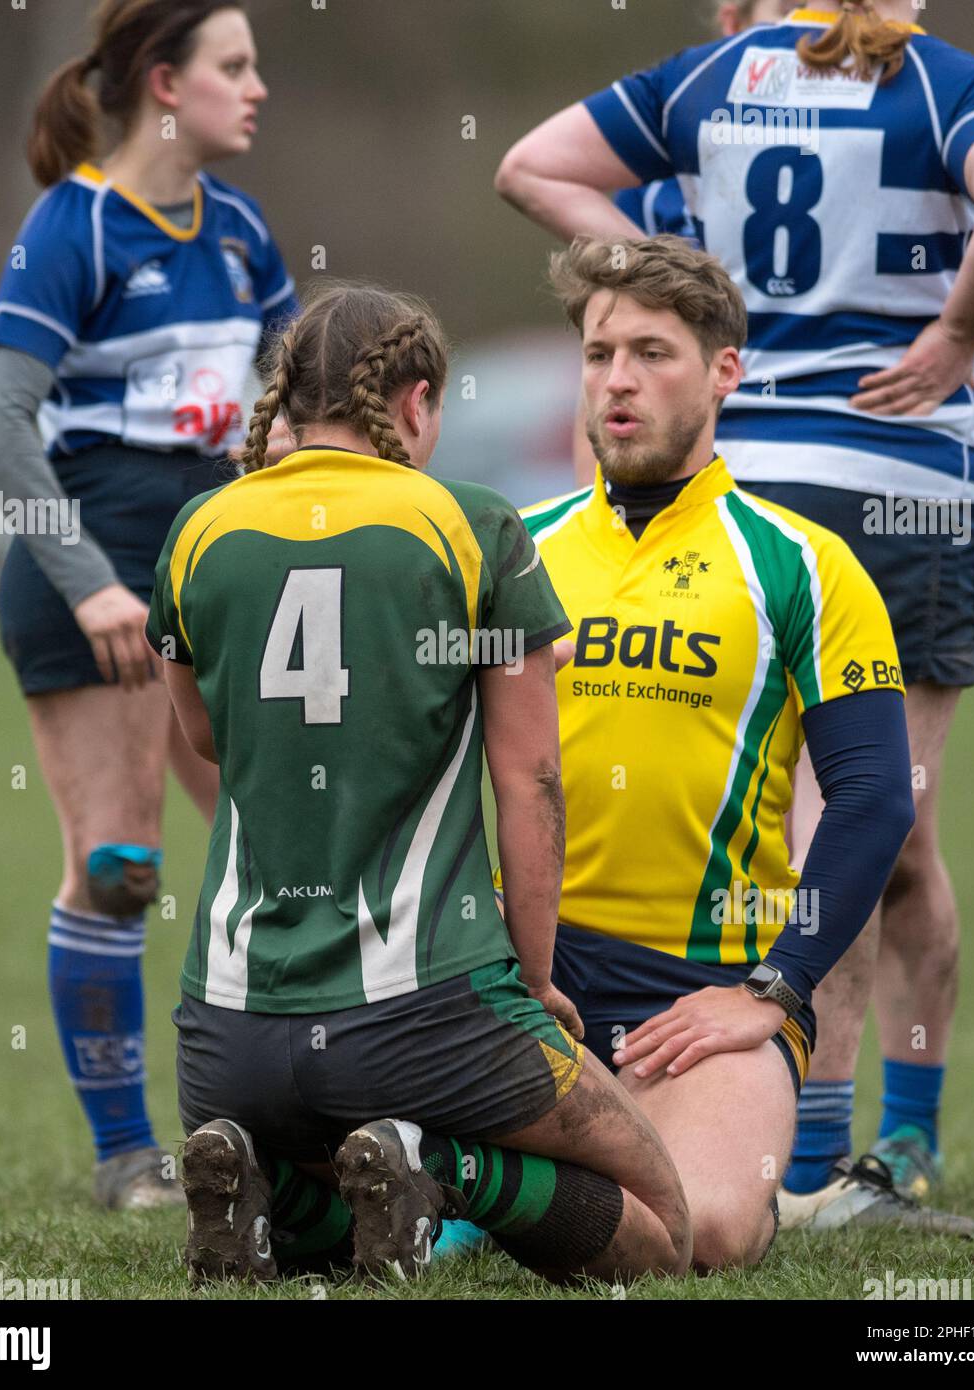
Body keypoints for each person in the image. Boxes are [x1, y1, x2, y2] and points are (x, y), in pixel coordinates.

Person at [495, 0, 974, 1225]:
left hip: (752, 465)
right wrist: (956, 341)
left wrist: (674, 277)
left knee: (815, 836)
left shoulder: (706, 83)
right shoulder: (950, 82)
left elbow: (526, 167)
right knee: (884, 830)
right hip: (894, 483)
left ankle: (813, 1155)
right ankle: (864, 1155)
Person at [148, 281, 692, 1285]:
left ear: (288, 399)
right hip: (420, 1018)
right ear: (415, 400)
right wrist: (532, 984)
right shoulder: (471, 523)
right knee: (666, 1225)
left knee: (328, 1165)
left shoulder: (195, 531)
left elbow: (204, 736)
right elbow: (529, 782)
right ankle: (443, 1166)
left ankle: (265, 1191)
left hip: (224, 1040)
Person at [513, 233, 974, 1269]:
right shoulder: (513, 549)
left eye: (650, 351)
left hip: (702, 981)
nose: (616, 381)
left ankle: (467, 1190)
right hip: (516, 976)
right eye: (598, 355)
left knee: (714, 1229)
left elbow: (871, 798)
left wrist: (773, 988)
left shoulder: (804, 564)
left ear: (725, 370)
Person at [0, 0, 299, 1210]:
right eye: (235, 65)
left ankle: (304, 1122)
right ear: (166, 83)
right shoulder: (75, 226)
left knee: (287, 854)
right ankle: (125, 1156)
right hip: (89, 580)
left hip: (219, 580)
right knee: (119, 867)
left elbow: (292, 408)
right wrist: (94, 582)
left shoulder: (244, 229)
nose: (257, 86)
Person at [573, 0, 796, 486]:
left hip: (853, 467)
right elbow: (612, 340)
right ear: (732, 24)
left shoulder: (902, 162)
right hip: (700, 472)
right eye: (787, 14)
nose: (806, 38)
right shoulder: (659, 184)